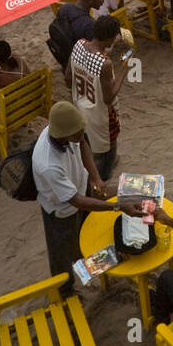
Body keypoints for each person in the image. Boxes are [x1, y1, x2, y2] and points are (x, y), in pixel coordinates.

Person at [32, 102, 146, 298]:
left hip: (80, 187)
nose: (82, 133)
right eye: (78, 132)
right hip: (61, 210)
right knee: (63, 253)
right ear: (63, 135)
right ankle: (66, 291)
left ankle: (95, 266)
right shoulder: (48, 164)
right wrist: (117, 206)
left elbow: (82, 142)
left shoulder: (66, 130)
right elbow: (76, 201)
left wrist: (95, 177)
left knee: (91, 235)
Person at [69, 15, 129, 181]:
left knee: (88, 141)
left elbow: (68, 78)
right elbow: (108, 98)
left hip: (80, 105)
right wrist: (124, 71)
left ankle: (97, 166)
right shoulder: (105, 63)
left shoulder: (78, 45)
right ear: (110, 38)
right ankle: (103, 175)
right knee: (107, 146)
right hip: (99, 113)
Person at [48, 0, 103, 69]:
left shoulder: (65, 7)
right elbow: (95, 52)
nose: (103, 0)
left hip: (64, 57)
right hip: (80, 67)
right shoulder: (89, 25)